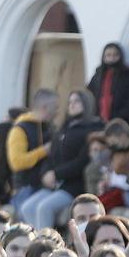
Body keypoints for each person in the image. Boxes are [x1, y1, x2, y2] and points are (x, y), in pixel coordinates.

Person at [23, 90, 104, 230]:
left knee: (44, 207)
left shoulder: (93, 129)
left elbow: (82, 162)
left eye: (77, 101)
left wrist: (56, 174)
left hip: (74, 185)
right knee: (27, 207)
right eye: (70, 102)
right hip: (55, 185)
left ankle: (47, 246)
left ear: (87, 103)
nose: (72, 105)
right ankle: (36, 243)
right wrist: (45, 174)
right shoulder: (63, 129)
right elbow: (50, 157)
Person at [7, 90, 58, 216]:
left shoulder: (51, 128)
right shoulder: (20, 129)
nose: (57, 111)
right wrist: (44, 151)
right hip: (26, 190)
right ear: (45, 107)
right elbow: (17, 162)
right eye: (55, 107)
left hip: (45, 189)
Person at [87, 43, 129, 125]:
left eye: (115, 55)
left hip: (121, 121)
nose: (112, 58)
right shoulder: (98, 75)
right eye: (108, 55)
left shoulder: (128, 75)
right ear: (103, 57)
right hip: (98, 121)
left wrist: (121, 116)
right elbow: (90, 94)